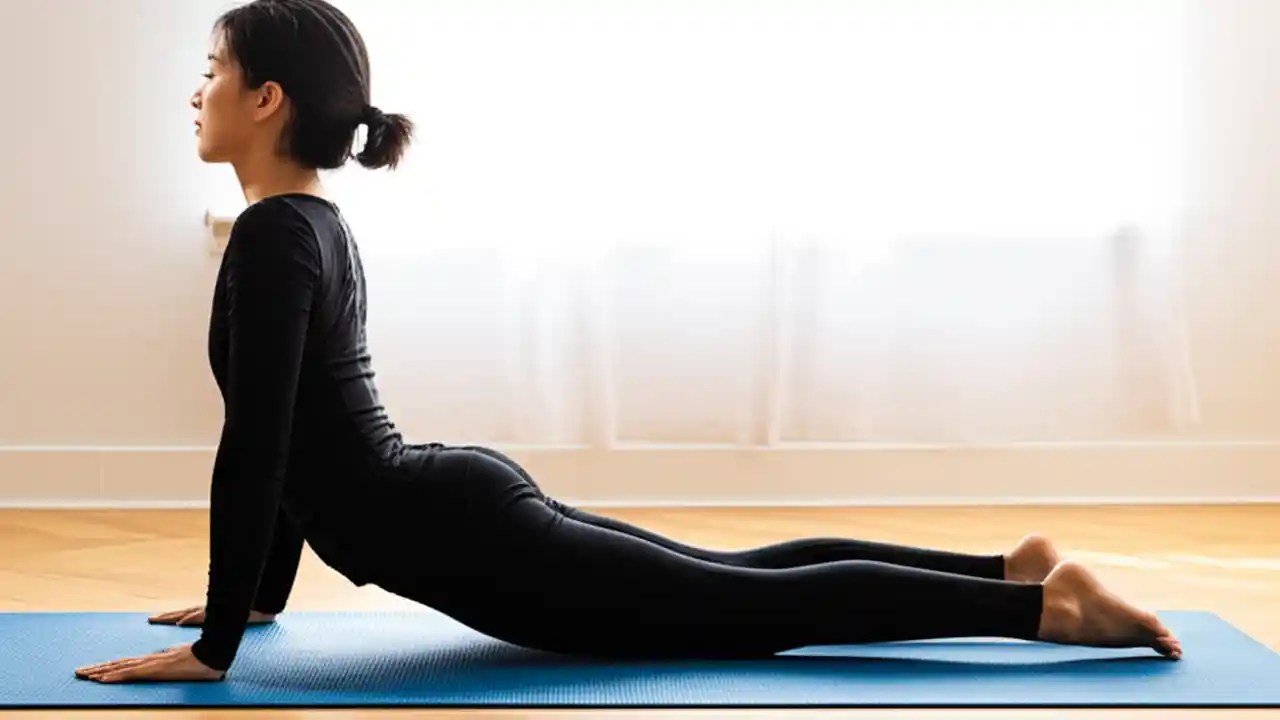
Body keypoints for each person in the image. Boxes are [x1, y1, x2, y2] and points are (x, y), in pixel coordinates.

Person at [74, 0, 1181, 685]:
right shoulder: (306, 223)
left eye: (211, 73)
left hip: (452, 524)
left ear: (266, 99)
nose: (196, 93)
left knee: (742, 612)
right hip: (448, 505)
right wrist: (259, 603)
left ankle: (1040, 609)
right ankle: (1009, 570)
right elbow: (284, 439)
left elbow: (260, 450)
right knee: (727, 581)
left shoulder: (275, 239)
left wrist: (220, 643)